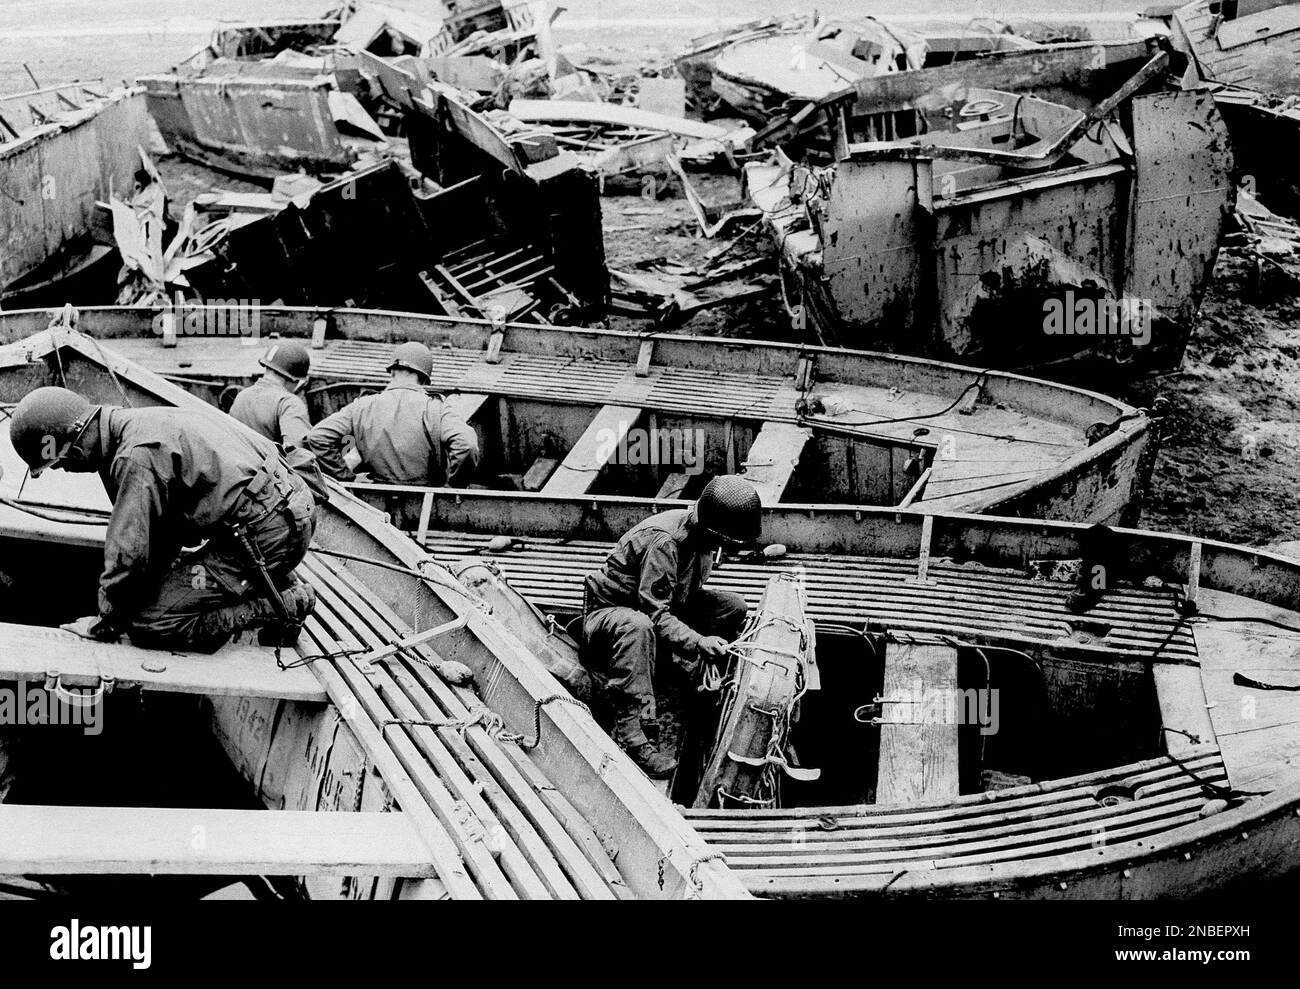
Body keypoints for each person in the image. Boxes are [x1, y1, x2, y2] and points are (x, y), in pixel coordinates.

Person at [8, 386, 317, 653]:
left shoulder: (134, 457)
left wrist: (105, 623)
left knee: (151, 622)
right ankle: (273, 583)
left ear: (75, 447)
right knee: (160, 594)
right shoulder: (135, 424)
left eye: (60, 464)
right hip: (286, 515)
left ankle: (282, 606)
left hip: (263, 536)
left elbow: (128, 553)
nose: (67, 470)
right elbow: (165, 533)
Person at [581, 475, 759, 777]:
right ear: (715, 530)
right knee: (638, 627)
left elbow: (680, 594)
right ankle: (632, 737)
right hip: (612, 621)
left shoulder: (701, 536)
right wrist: (698, 642)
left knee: (734, 607)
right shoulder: (666, 542)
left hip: (660, 611)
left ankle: (690, 674)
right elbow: (653, 614)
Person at [306, 341, 479, 486]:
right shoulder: (437, 408)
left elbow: (318, 436)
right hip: (428, 502)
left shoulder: (362, 406)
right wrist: (454, 486)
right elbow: (467, 445)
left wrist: (347, 477)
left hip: (374, 504)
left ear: (392, 371)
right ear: (424, 377)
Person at [228, 341, 313, 451]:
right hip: (272, 467)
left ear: (267, 367)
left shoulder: (241, 397)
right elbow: (298, 454)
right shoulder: (289, 403)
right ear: (295, 379)